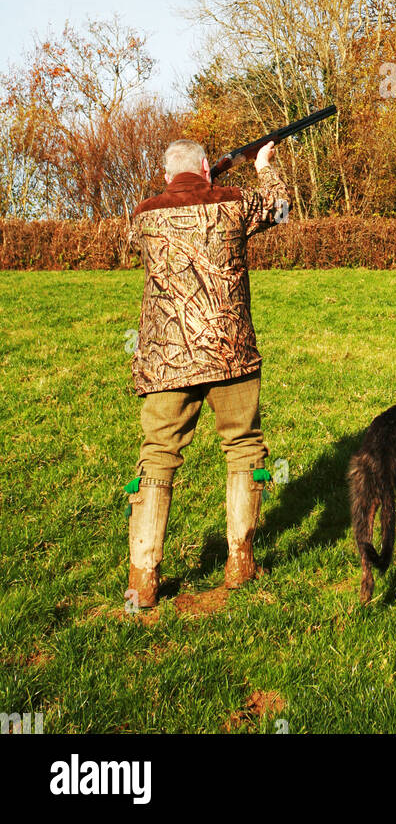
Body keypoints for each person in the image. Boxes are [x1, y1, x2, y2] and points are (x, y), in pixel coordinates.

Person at [125, 136, 290, 608]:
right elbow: (280, 210)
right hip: (229, 353)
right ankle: (240, 562)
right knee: (243, 448)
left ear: (165, 174)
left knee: (156, 456)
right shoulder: (234, 204)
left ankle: (143, 578)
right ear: (205, 165)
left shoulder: (142, 214)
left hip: (165, 361)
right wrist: (263, 166)